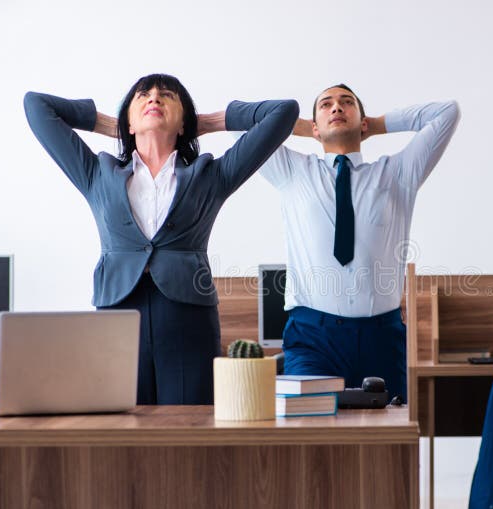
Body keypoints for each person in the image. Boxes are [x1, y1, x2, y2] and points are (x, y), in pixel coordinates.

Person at [24, 74, 299, 405]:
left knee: (190, 429)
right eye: (143, 96)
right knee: (120, 427)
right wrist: (110, 124)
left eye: (167, 96)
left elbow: (284, 112)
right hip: (117, 313)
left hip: (187, 317)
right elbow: (36, 105)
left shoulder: (209, 175)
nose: (154, 98)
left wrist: (209, 122)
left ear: (184, 123)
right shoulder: (98, 173)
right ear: (128, 119)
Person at [253, 83, 460, 400]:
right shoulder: (293, 172)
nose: (337, 107)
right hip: (312, 337)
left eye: (347, 102)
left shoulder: (397, 174)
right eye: (326, 104)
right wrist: (305, 128)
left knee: (388, 441)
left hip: (381, 336)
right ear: (313, 128)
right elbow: (246, 124)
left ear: (362, 121)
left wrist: (374, 125)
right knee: (309, 436)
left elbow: (447, 113)